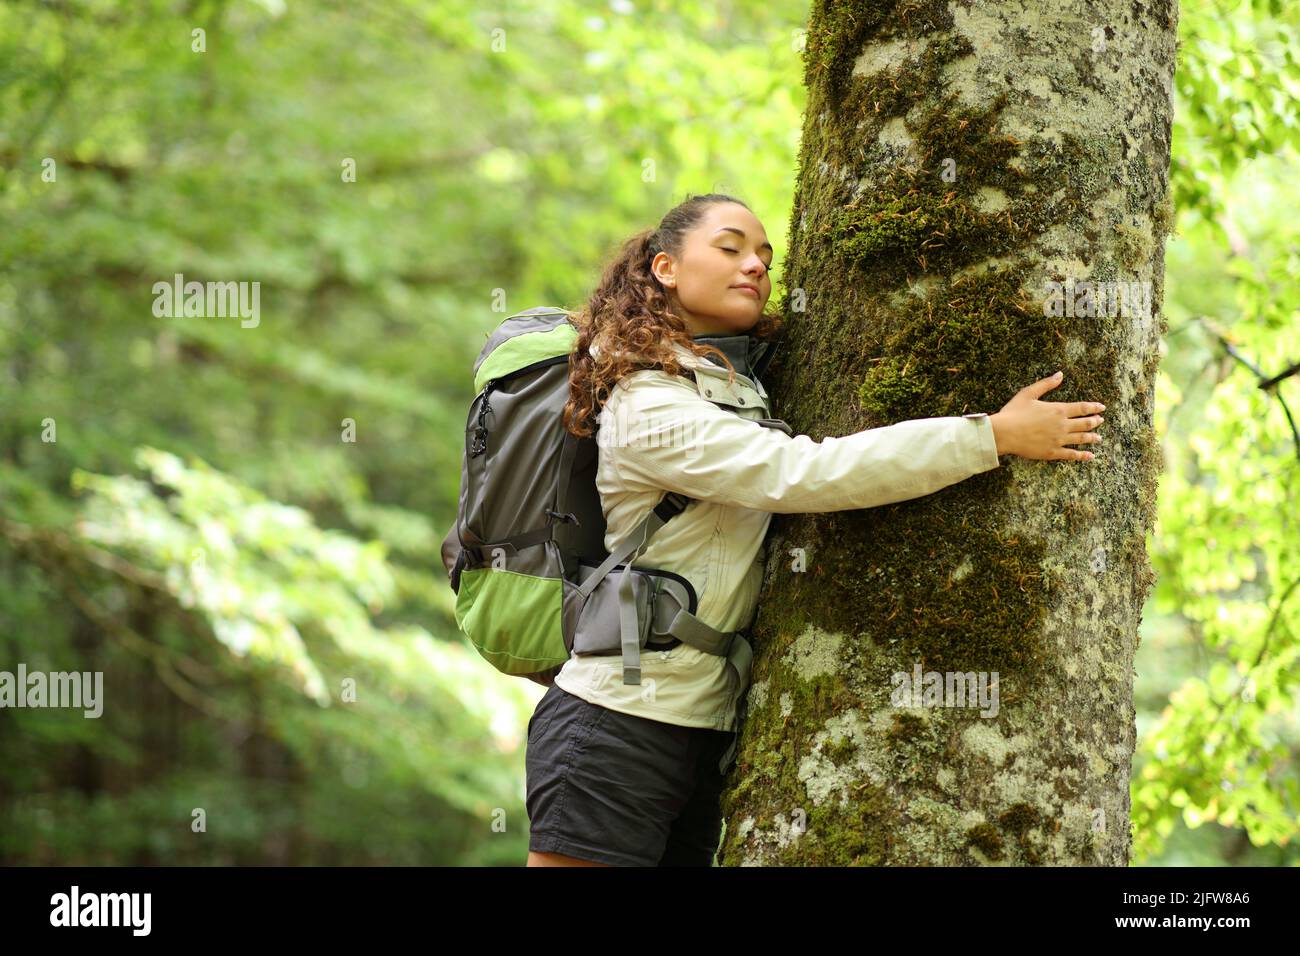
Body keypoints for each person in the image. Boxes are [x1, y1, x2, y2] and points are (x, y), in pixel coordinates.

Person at [524, 193, 1106, 867]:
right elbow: (806, 473)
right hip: (614, 726)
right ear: (665, 268)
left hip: (702, 732)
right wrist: (989, 437)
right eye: (731, 247)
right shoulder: (650, 404)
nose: (756, 267)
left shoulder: (729, 386)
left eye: (766, 258)